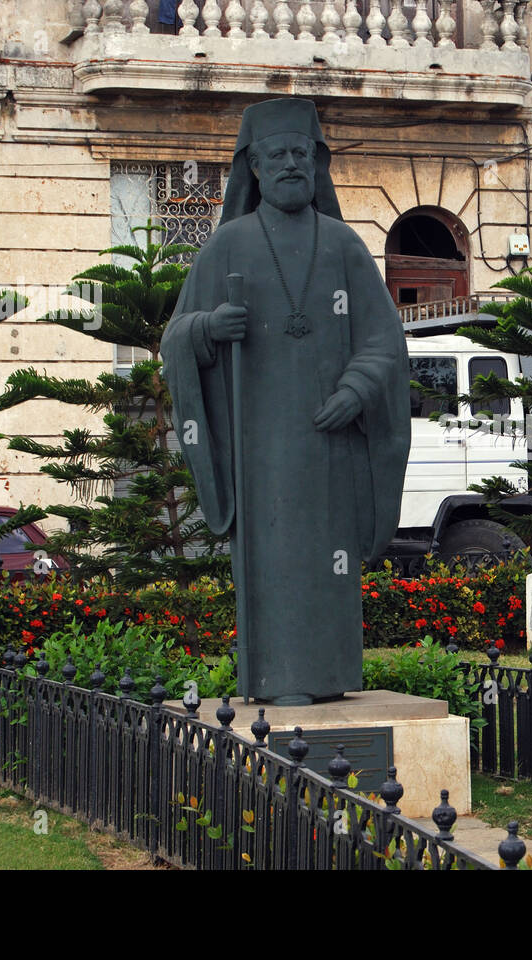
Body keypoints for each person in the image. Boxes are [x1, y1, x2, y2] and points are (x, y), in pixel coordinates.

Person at [162, 98, 410, 705]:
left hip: (331, 453)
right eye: (279, 155)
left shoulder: (345, 245)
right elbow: (174, 335)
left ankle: (331, 678)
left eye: (302, 153)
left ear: (316, 164)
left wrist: (355, 389)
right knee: (273, 565)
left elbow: (385, 339)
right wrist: (207, 329)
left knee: (331, 567)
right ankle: (278, 682)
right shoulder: (226, 248)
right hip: (261, 452)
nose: (292, 164)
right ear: (256, 167)